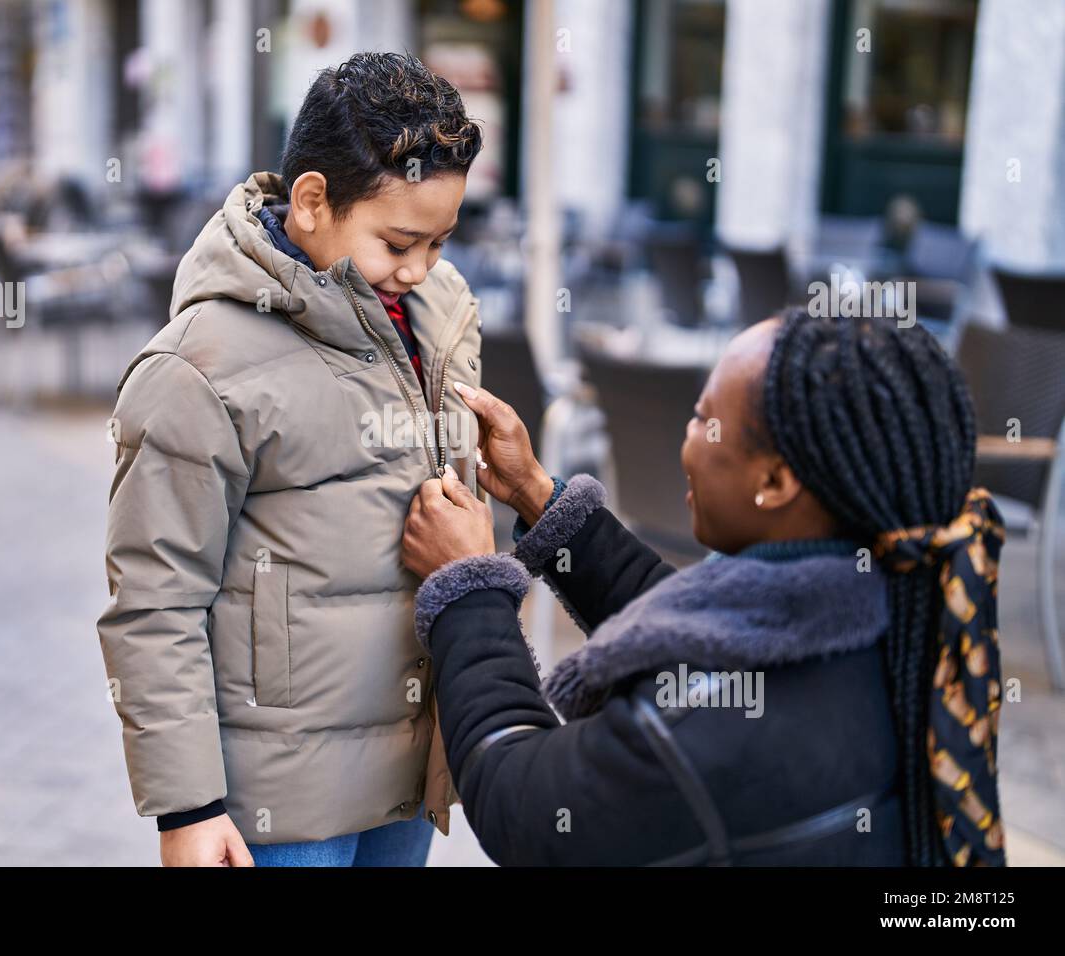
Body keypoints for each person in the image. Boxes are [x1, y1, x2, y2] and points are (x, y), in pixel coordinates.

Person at [401, 309, 1006, 866]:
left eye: (702, 419)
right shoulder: (910, 612)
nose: (688, 440)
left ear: (773, 479)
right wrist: (537, 493)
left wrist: (471, 590)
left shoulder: (697, 732)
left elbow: (521, 801)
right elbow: (703, 636)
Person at [97, 52, 485, 866]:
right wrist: (188, 809)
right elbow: (154, 602)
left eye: (442, 241)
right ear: (311, 201)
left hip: (412, 772)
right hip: (280, 806)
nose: (420, 269)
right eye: (400, 241)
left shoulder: (439, 315)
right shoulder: (199, 370)